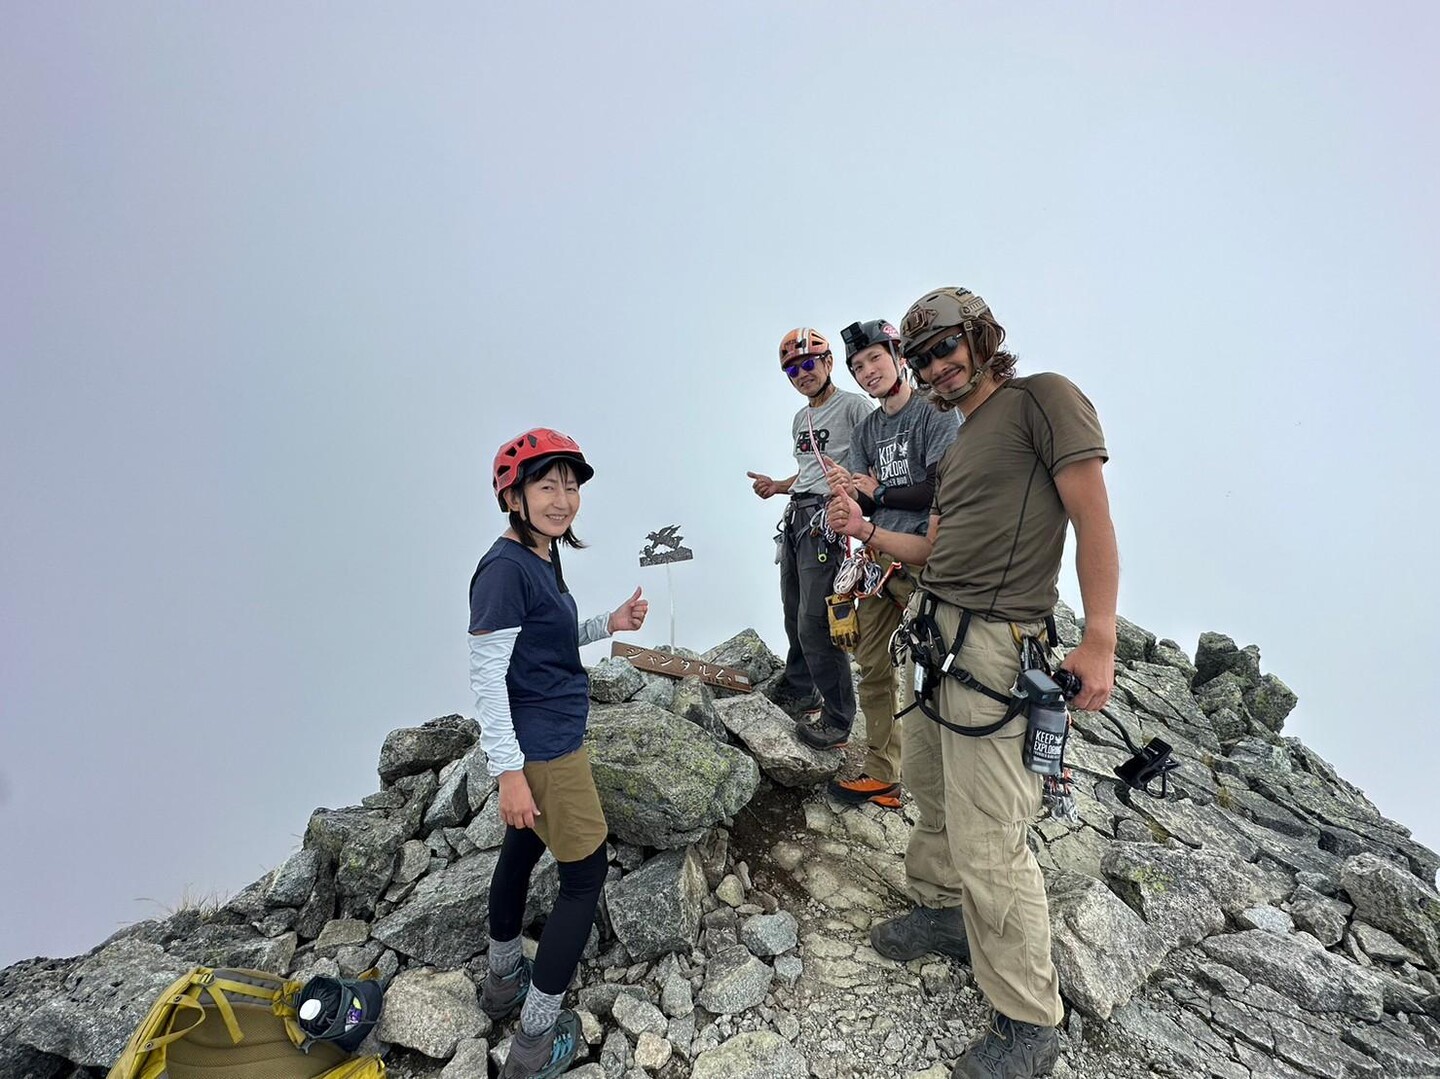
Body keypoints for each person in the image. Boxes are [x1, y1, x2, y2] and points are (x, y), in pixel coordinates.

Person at [826, 288, 1118, 1079]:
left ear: (982, 337)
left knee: (992, 833)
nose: (933, 366)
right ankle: (941, 908)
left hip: (994, 645)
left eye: (945, 347)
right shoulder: (958, 444)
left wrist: (1099, 637)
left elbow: (1093, 517)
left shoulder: (1041, 401)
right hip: (934, 632)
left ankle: (1029, 1019)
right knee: (928, 784)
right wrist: (867, 530)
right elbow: (937, 549)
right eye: (919, 357)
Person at [469, 427, 649, 1079]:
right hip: (544, 749)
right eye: (547, 485)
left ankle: (500, 982)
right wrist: (510, 772)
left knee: (521, 850)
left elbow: (544, 636)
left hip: (542, 738)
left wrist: (610, 624)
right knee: (584, 877)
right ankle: (535, 1045)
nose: (563, 497)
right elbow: (487, 674)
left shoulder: (540, 554)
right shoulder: (504, 567)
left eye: (571, 485)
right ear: (513, 495)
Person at [822, 318, 959, 807]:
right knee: (873, 664)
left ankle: (946, 779)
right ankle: (884, 770)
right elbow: (873, 501)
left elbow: (939, 487)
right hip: (880, 562)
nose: (867, 371)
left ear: (899, 356)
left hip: (928, 561)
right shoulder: (866, 429)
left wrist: (876, 490)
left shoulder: (936, 413)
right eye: (858, 366)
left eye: (875, 358)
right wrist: (855, 502)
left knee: (932, 669)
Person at [747, 327, 874, 749]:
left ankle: (838, 718)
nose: (801, 373)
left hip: (829, 522)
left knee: (816, 620)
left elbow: (875, 460)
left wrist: (857, 492)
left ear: (828, 363)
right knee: (792, 608)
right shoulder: (800, 419)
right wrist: (777, 486)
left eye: (808, 363)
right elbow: (808, 471)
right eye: (792, 369)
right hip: (799, 517)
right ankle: (801, 686)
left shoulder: (854, 407)